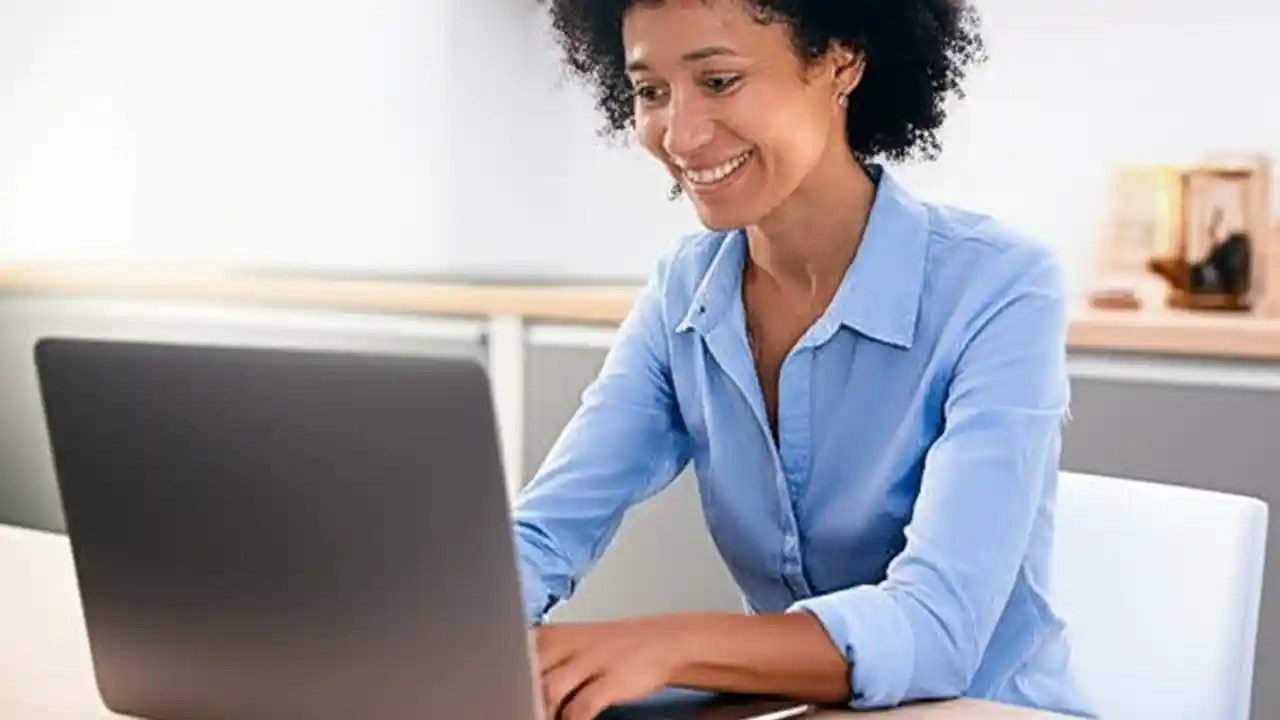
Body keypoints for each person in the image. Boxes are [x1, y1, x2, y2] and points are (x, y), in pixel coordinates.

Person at [514, 1, 1098, 718]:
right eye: (651, 91)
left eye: (720, 80)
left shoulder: (999, 287)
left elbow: (937, 630)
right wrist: (452, 629)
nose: (681, 133)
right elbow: (544, 531)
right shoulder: (684, 294)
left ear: (840, 62)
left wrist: (665, 644)